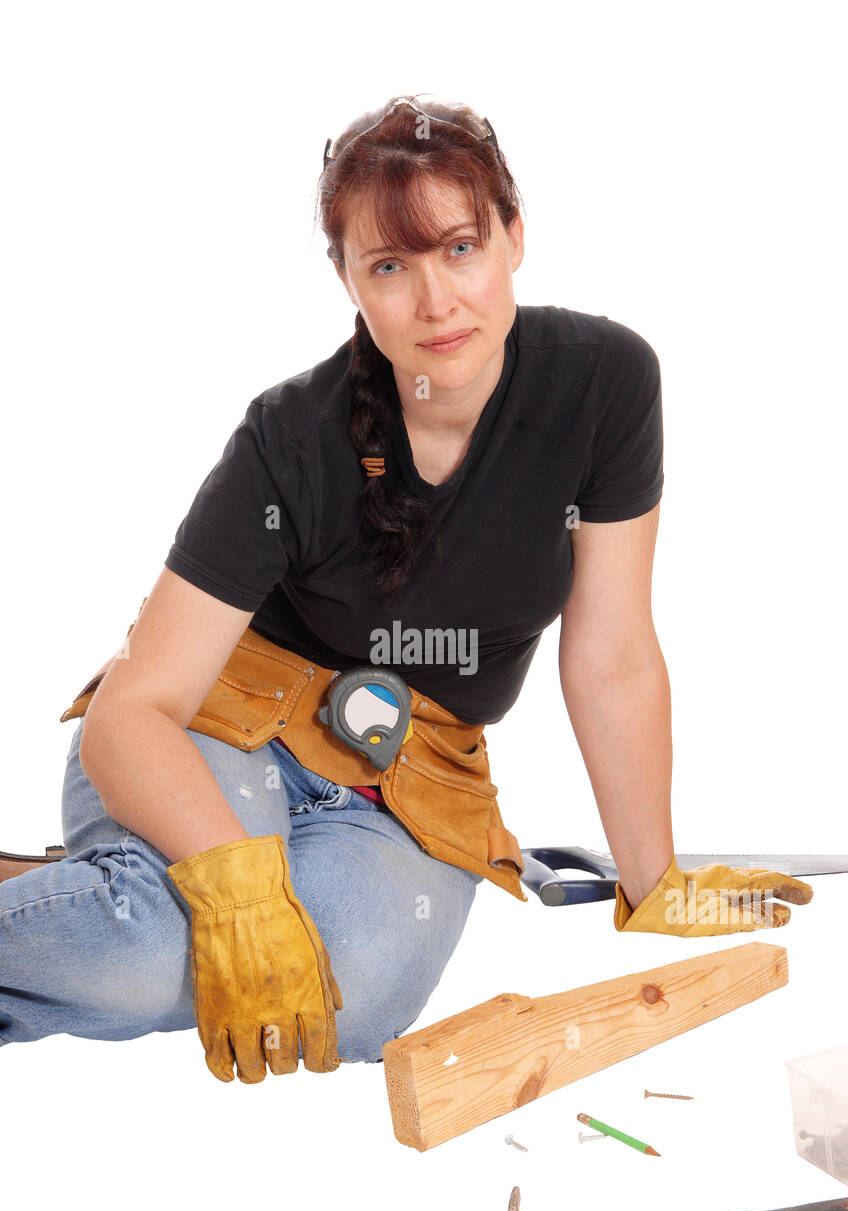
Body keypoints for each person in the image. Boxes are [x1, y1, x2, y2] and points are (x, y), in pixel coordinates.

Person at [0, 94, 812, 1084]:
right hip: (220, 722)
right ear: (348, 280)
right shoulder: (287, 438)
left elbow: (611, 654)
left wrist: (653, 880)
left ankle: (102, 893)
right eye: (389, 265)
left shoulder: (602, 384)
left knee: (349, 1003)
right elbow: (137, 709)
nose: (437, 303)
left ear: (514, 237)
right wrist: (237, 892)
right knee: (141, 955)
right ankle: (126, 899)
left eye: (461, 247)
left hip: (406, 776)